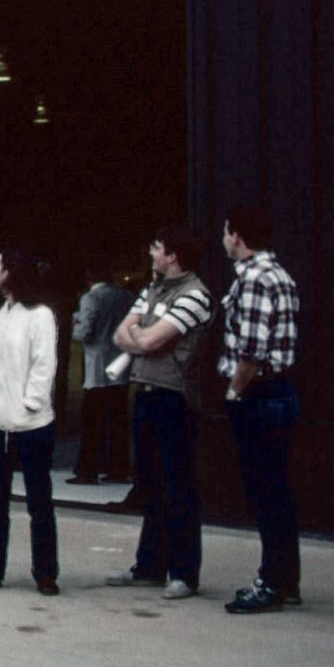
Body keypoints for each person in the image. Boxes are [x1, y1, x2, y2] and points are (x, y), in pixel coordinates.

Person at [103, 226, 216, 599]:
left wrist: (143, 338)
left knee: (178, 485)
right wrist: (145, 340)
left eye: (156, 247)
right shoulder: (152, 290)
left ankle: (183, 572)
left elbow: (146, 338)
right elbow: (122, 333)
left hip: (174, 398)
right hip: (146, 393)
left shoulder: (195, 295)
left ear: (172, 255)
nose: (151, 253)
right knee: (149, 484)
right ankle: (149, 566)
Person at [219, 206, 305, 616]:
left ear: (237, 235)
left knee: (264, 491)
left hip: (258, 393)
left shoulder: (253, 280)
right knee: (278, 492)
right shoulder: (280, 275)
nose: (223, 240)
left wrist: (235, 393)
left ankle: (271, 582)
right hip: (279, 391)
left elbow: (251, 351)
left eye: (225, 232)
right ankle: (286, 580)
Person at [0, 249, 60, 592]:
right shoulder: (3, 313)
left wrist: (30, 404)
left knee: (39, 501)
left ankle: (46, 572)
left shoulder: (39, 315)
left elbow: (43, 366)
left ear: (10, 272)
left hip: (31, 424)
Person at [69, 267, 136, 484]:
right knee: (118, 420)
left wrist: (75, 326)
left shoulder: (91, 298)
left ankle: (88, 469)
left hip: (97, 365)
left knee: (92, 421)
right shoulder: (126, 297)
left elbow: (84, 332)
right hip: (120, 362)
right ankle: (119, 467)